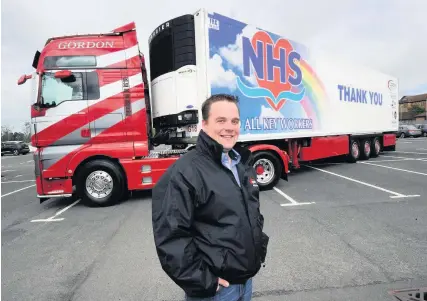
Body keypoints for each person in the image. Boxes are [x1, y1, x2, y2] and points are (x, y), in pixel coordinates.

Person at [152, 94, 269, 300]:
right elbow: (171, 237)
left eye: (234, 121)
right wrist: (203, 281)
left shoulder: (241, 164)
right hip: (216, 291)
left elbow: (251, 215)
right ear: (204, 125)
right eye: (221, 120)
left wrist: (258, 250)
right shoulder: (186, 171)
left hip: (246, 281)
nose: (230, 127)